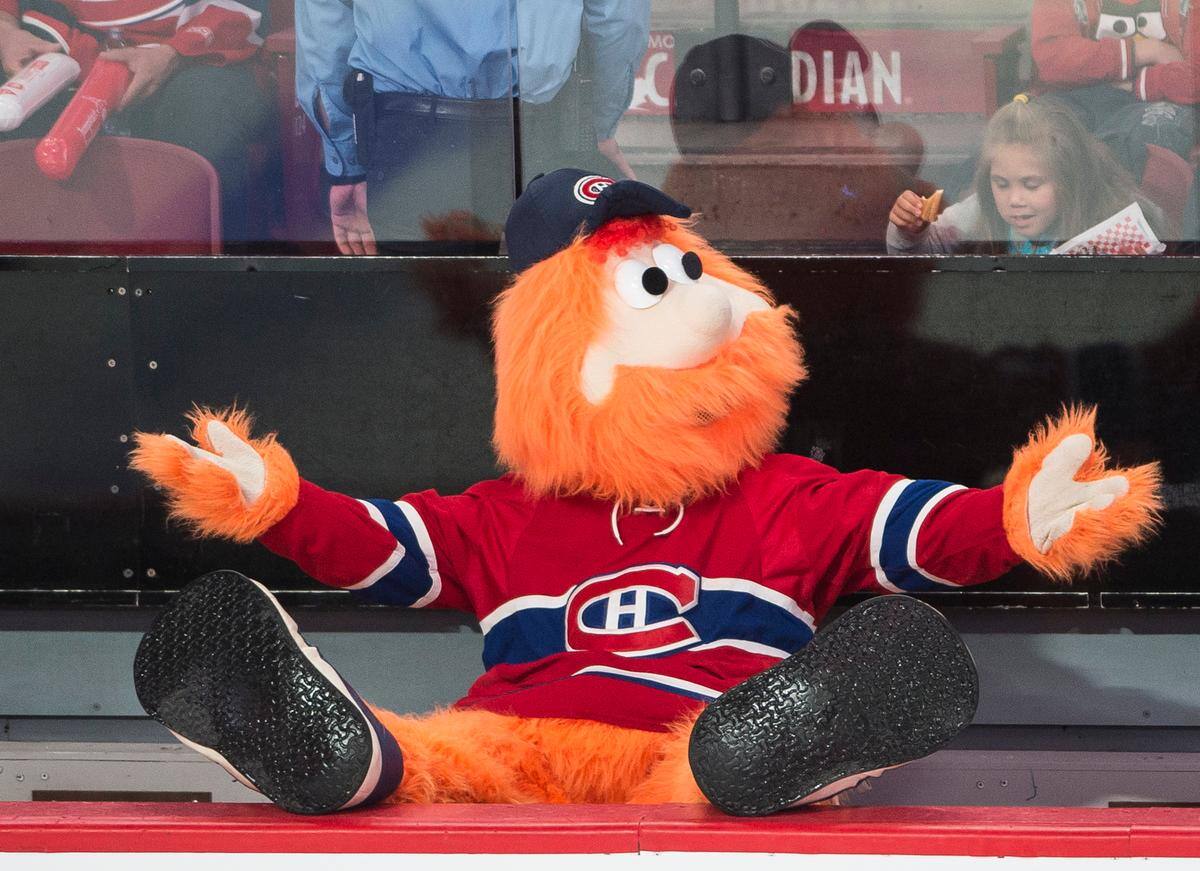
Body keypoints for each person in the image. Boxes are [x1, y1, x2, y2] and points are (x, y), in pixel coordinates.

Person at [294, 0, 649, 256]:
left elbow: (326, 30)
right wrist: (600, 125)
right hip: (534, 134)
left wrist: (345, 163)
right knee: (541, 322)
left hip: (405, 138)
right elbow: (619, 20)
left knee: (424, 324)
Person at [0, 0, 272, 247]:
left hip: (193, 57)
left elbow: (244, 10)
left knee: (202, 107)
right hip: (59, 51)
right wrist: (6, 34)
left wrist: (172, 54)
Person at [887, 96, 1169, 254]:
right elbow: (917, 257)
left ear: (1069, 179)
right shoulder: (981, 211)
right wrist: (909, 231)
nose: (1015, 200)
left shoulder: (1111, 216)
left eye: (1031, 185)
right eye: (1001, 184)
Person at [1030, 0, 1197, 234]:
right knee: (1029, 135)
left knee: (1147, 138)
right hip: (1072, 96)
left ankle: (1131, 242)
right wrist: (1144, 51)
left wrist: (1137, 83)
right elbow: (1053, 60)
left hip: (1158, 101)